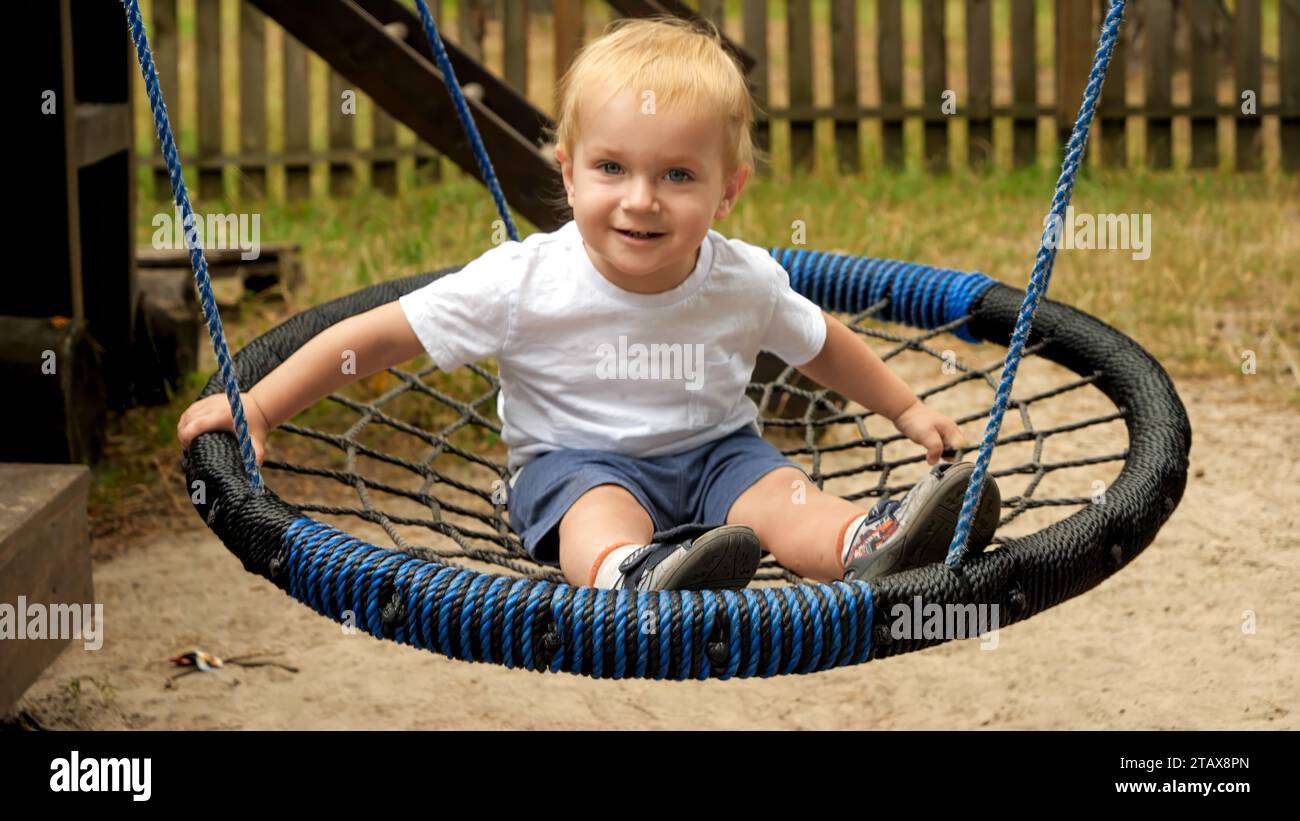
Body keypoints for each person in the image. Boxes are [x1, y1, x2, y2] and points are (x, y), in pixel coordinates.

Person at [177, 16, 1001, 594]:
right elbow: (380, 337)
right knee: (594, 512)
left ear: (727, 191)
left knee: (785, 499)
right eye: (612, 169)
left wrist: (905, 409)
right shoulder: (524, 281)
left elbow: (822, 342)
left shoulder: (741, 277)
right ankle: (627, 573)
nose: (641, 200)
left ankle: (867, 542)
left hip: (720, 452)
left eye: (678, 175)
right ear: (568, 174)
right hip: (574, 462)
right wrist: (260, 406)